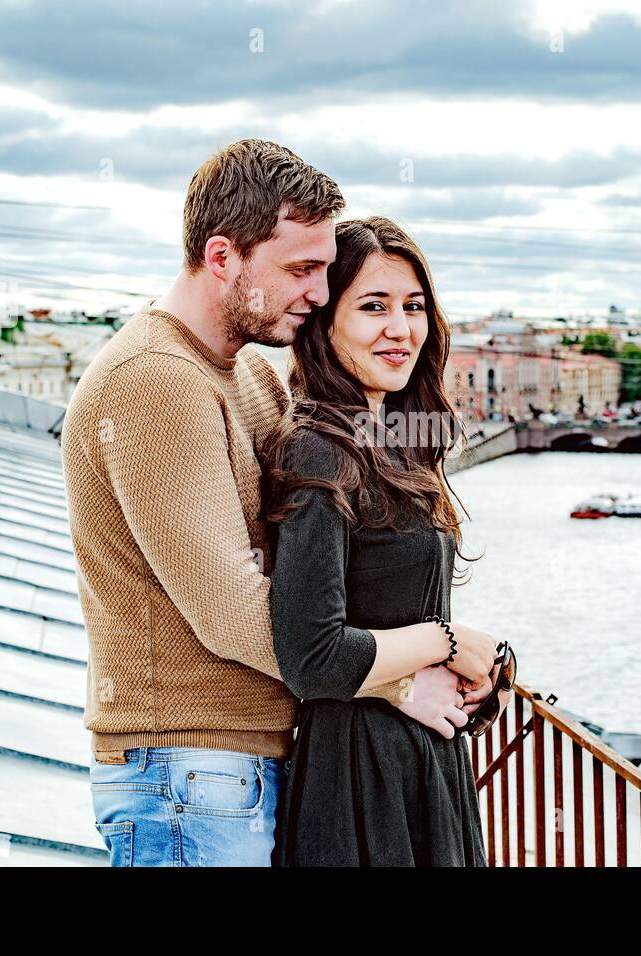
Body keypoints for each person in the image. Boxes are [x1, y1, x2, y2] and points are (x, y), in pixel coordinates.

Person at [61, 141, 491, 867]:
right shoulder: (153, 381)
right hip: (186, 772)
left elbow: (324, 562)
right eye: (300, 270)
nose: (319, 293)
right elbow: (239, 613)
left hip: (238, 767)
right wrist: (406, 676)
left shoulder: (248, 377)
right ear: (222, 256)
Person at [263, 216, 513, 866]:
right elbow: (311, 656)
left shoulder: (395, 444)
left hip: (423, 761)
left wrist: (477, 679)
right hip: (360, 780)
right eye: (374, 306)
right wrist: (449, 642)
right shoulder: (318, 450)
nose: (400, 328)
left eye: (414, 307)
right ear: (324, 322)